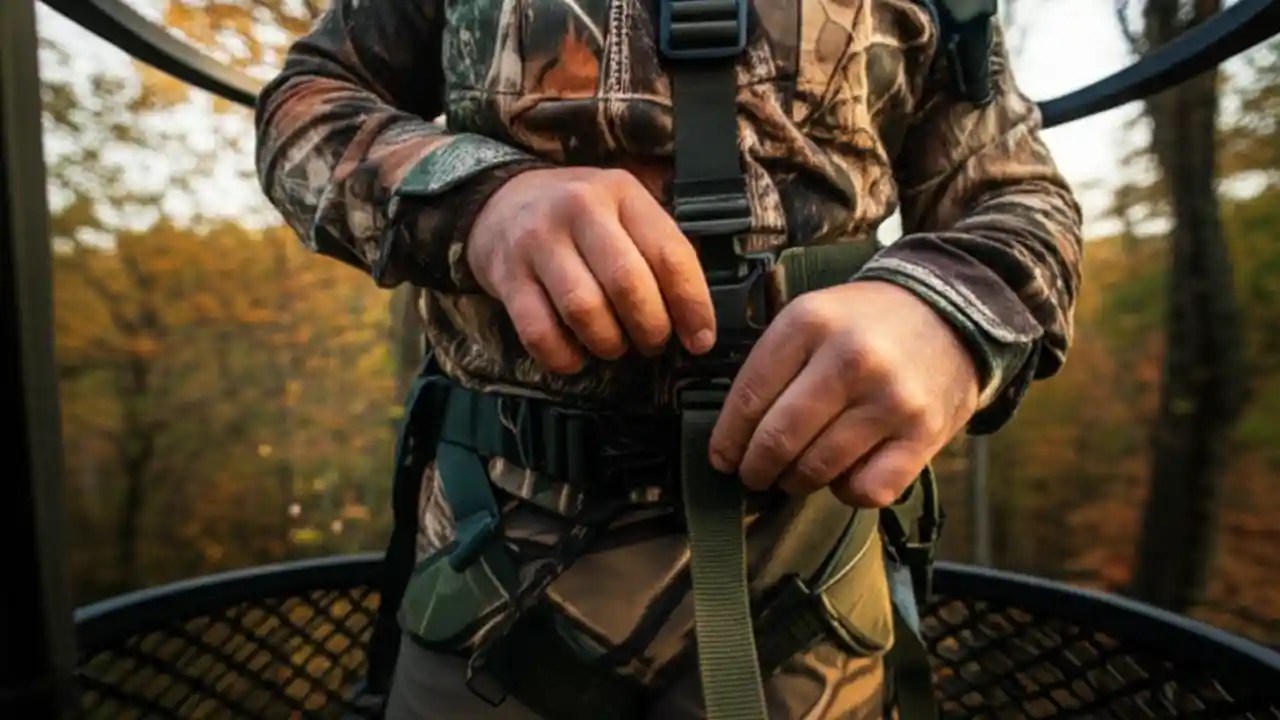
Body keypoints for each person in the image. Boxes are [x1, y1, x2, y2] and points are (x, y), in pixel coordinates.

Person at [254, 0, 1082, 716]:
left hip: (812, 567)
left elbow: (1020, 198)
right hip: (491, 558)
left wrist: (946, 315)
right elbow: (305, 105)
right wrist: (481, 199)